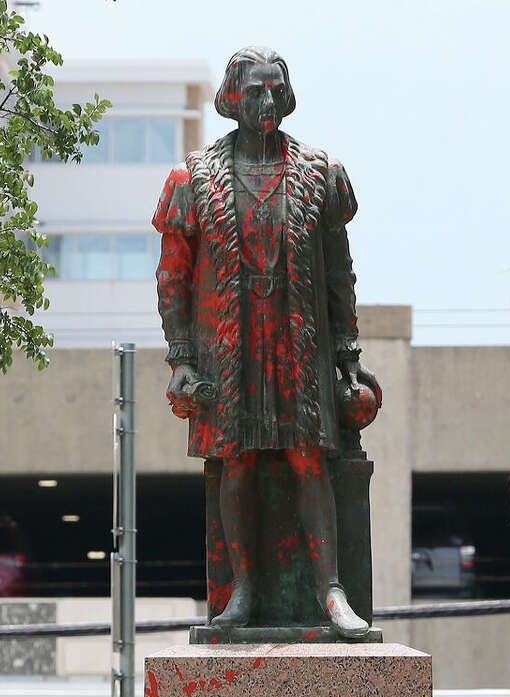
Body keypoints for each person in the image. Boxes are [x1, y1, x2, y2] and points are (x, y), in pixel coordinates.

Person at [153, 45, 380, 639]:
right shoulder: (193, 178)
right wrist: (180, 357)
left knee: (310, 461)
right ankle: (243, 589)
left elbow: (338, 273)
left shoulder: (319, 172)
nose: (267, 101)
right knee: (236, 464)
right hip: (229, 346)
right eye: (255, 90)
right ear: (232, 97)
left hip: (296, 340)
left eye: (276, 88)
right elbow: (174, 275)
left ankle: (331, 591)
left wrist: (347, 356)